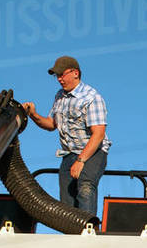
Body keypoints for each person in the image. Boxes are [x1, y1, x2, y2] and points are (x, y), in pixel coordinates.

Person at [22, 56, 111, 219]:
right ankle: (70, 237)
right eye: (57, 76)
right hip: (69, 154)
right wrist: (33, 114)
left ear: (75, 73)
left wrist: (81, 160)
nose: (59, 79)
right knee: (66, 203)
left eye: (62, 74)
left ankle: (88, 230)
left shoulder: (91, 97)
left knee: (85, 186)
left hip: (93, 152)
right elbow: (51, 124)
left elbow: (98, 134)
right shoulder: (60, 96)